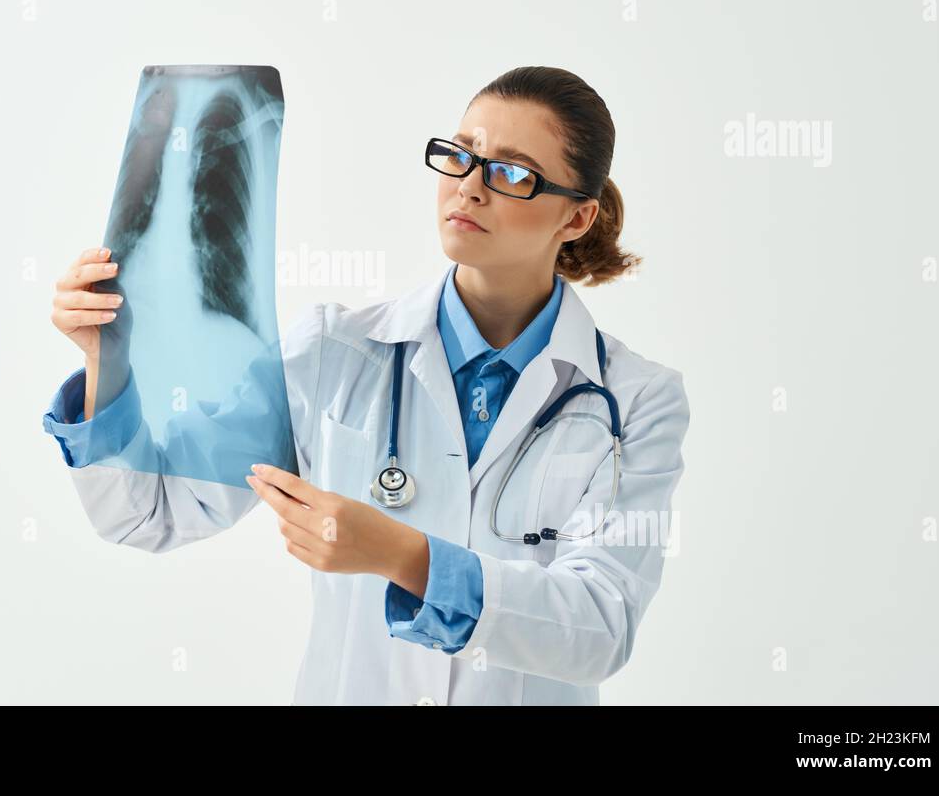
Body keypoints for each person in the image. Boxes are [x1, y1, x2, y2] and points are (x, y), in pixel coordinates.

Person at [42, 65, 691, 705]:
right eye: (461, 156)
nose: (469, 187)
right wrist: (110, 363)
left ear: (577, 218)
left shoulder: (633, 401)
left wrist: (401, 554)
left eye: (512, 173)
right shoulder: (333, 354)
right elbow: (150, 511)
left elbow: (600, 625)